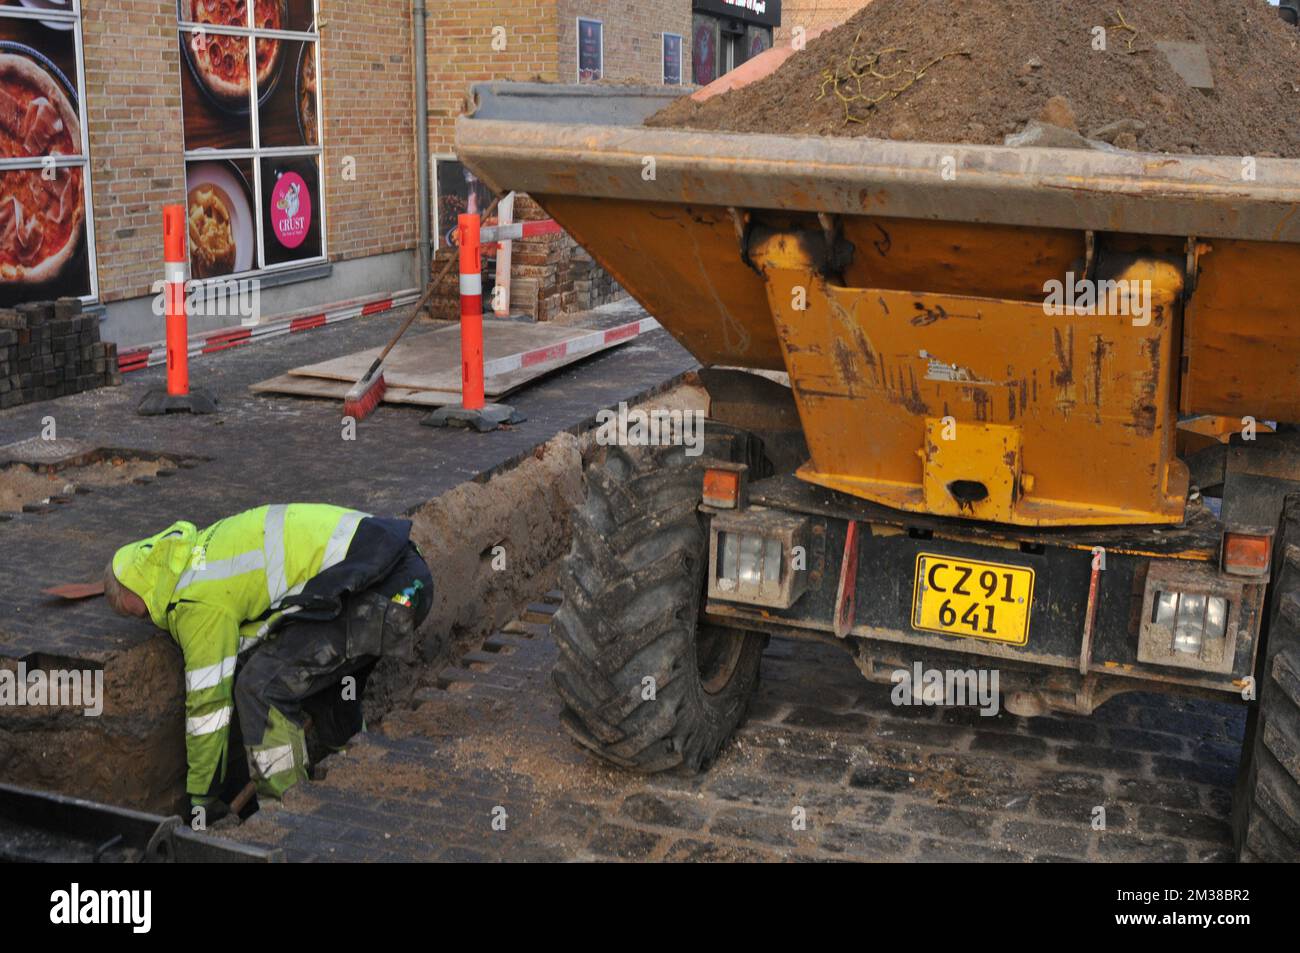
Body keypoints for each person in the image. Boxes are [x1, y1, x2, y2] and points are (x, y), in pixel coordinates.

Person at [104, 504, 433, 816]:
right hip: (405, 578)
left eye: (136, 613)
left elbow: (209, 708)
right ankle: (356, 772)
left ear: (137, 592)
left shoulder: (194, 603)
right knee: (313, 678)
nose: (143, 620)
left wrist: (202, 798)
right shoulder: (198, 551)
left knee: (261, 688)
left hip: (379, 596)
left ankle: (289, 815)